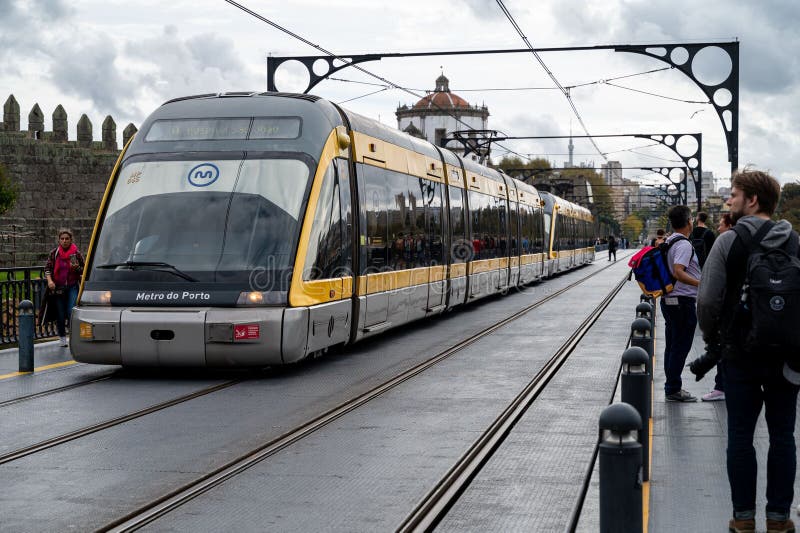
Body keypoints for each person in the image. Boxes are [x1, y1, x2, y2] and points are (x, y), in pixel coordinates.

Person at [697, 169, 799, 533]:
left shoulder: (729, 242)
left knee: (740, 436)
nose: (729, 200)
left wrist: (714, 340)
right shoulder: (795, 242)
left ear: (752, 200)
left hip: (739, 354)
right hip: (787, 358)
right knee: (783, 436)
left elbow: (707, 300)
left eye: (735, 194)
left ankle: (743, 519)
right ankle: (778, 518)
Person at [661, 206, 701, 402]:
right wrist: (701, 283)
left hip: (669, 301)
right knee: (680, 346)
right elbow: (678, 271)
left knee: (672, 345)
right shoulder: (684, 244)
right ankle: (673, 388)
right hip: (682, 302)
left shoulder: (669, 241)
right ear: (688, 222)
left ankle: (671, 385)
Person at [697, 213, 733, 402]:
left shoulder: (725, 244)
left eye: (721, 225)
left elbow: (708, 299)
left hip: (728, 317)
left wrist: (708, 333)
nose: (718, 228)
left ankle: (721, 388)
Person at [44, 229, 85, 347]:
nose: (64, 241)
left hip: (72, 286)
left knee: (71, 311)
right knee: (60, 314)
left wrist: (77, 268)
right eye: (62, 239)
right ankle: (62, 337)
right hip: (58, 288)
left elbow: (84, 269)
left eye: (67, 239)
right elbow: (47, 268)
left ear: (71, 240)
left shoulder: (76, 253)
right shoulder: (54, 253)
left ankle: (73, 336)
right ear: (59, 240)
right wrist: (50, 281)